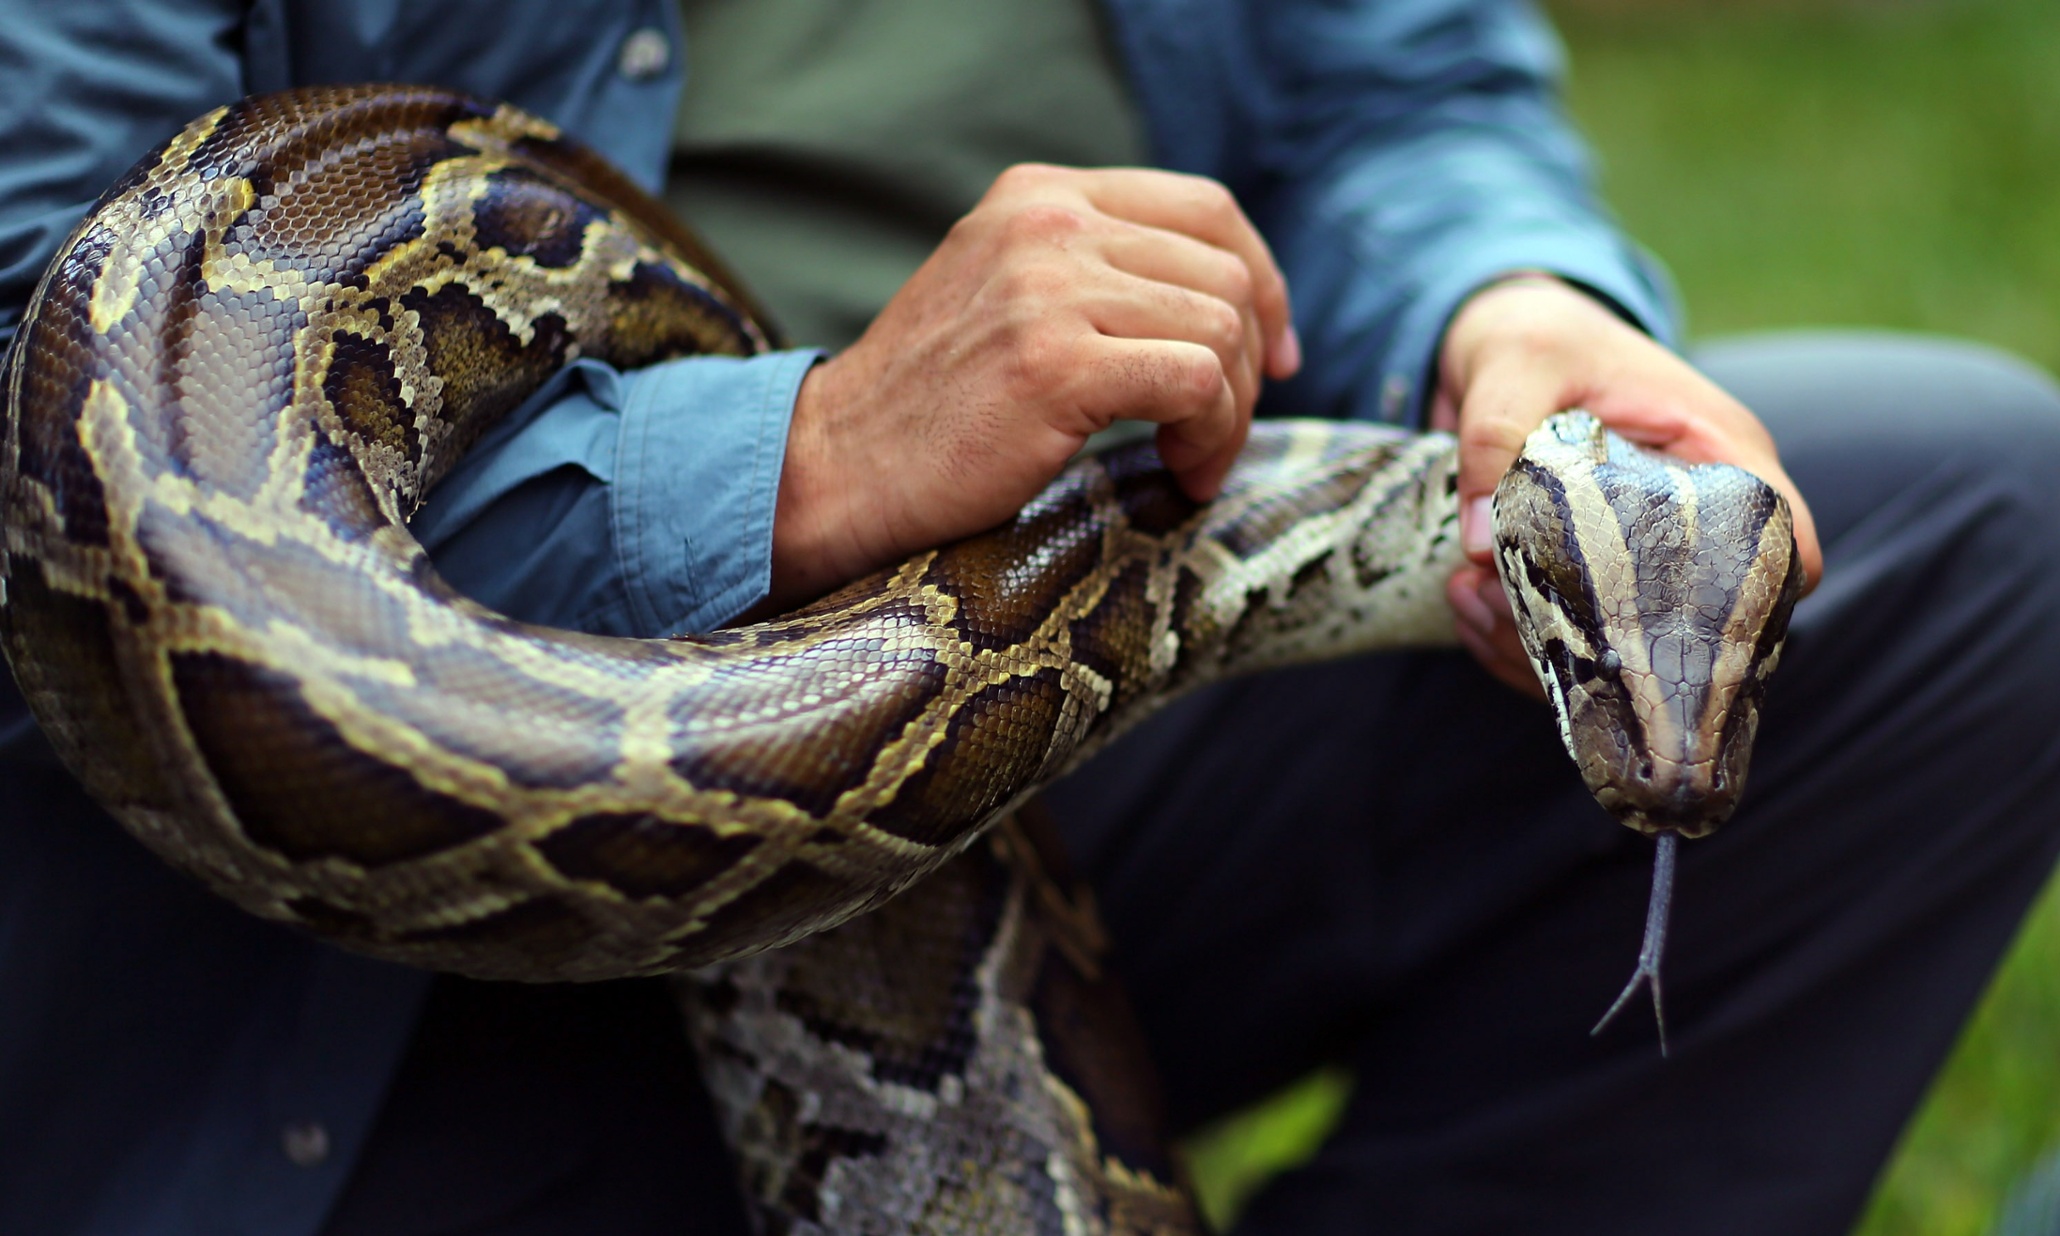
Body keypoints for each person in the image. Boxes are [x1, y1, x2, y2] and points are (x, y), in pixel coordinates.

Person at [1, 2, 2056, 1233]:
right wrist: (808, 455)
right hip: (296, 949)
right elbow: (39, 345)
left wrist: (1508, 301)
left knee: (1963, 514)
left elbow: (1396, 101)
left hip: (1034, 681)